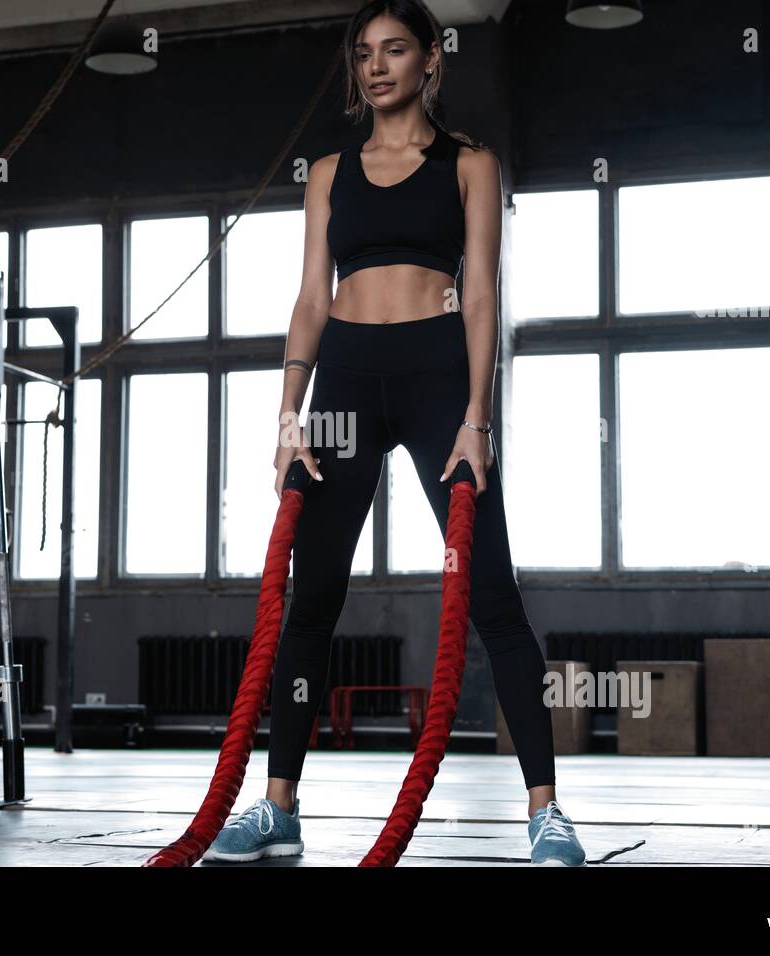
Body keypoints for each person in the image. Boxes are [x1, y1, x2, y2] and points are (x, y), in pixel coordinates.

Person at [204, 0, 586, 867]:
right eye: (364, 54)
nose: (376, 67)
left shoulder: (470, 165)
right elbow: (310, 297)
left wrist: (479, 419)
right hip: (342, 375)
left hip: (437, 378)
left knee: (493, 595)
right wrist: (287, 417)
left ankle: (546, 811)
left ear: (430, 61)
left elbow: (483, 297)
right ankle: (279, 806)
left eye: (395, 50)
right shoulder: (330, 172)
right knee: (314, 601)